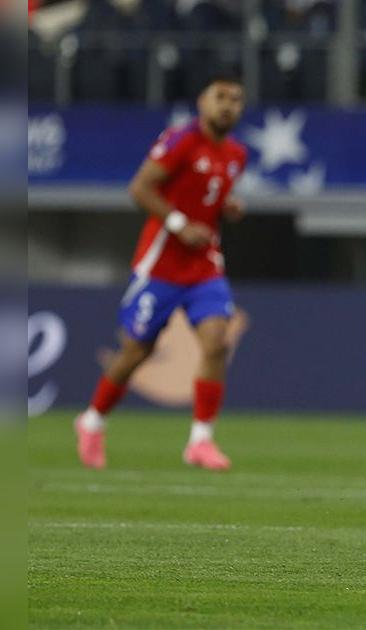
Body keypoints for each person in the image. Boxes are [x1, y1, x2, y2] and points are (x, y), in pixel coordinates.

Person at [74, 74, 248, 471]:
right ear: (203, 101)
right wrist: (179, 224)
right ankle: (92, 421)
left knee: (217, 343)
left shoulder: (237, 154)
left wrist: (227, 206)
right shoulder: (181, 140)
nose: (227, 105)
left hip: (204, 265)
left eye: (236, 99)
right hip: (161, 266)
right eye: (220, 97)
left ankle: (200, 441)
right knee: (137, 351)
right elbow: (140, 188)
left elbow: (207, 196)